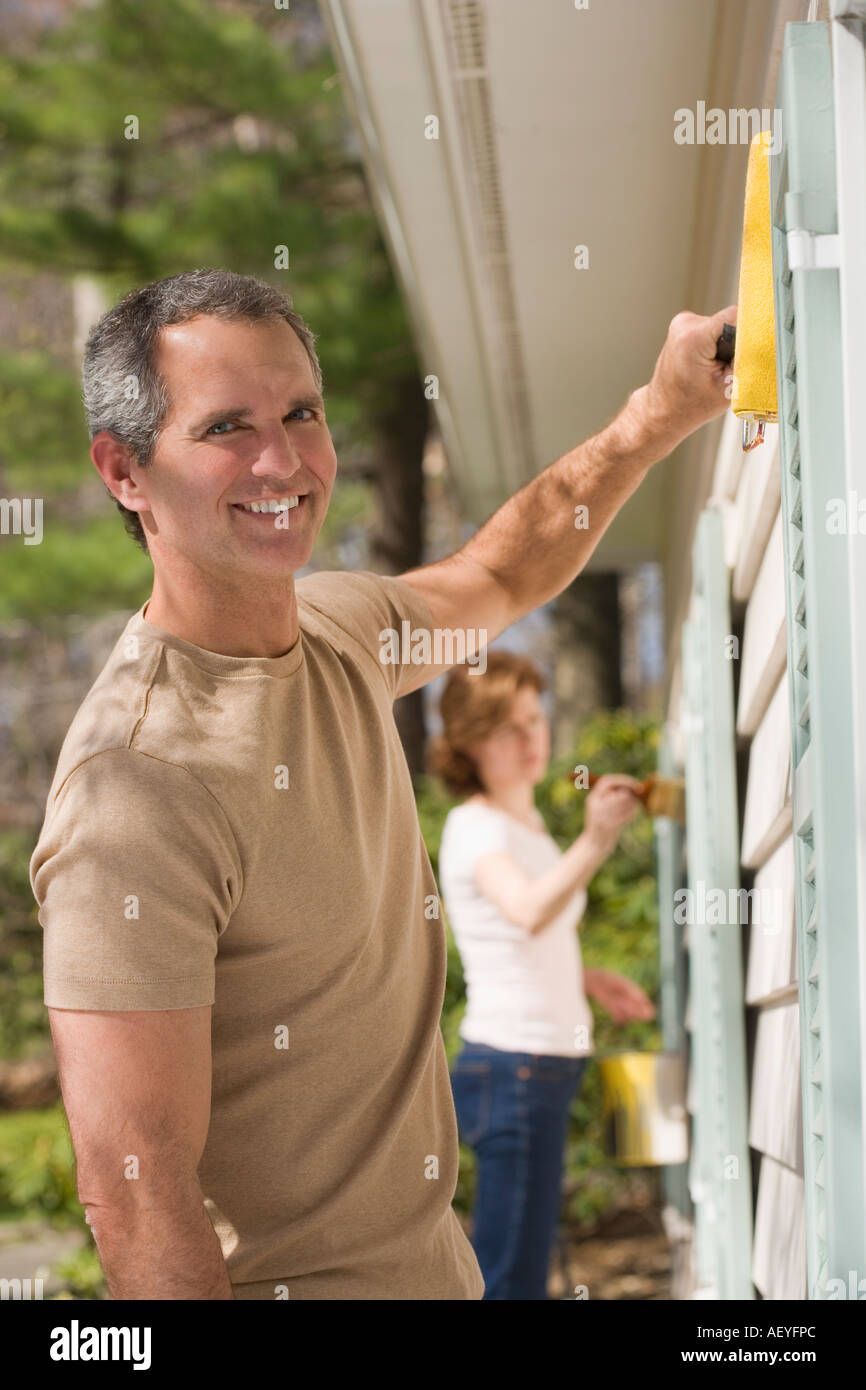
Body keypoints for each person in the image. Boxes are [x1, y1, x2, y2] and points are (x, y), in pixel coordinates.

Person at [29, 266, 733, 1299]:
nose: (282, 460)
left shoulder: (337, 634)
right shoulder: (134, 791)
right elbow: (134, 1191)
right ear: (125, 472)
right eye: (227, 426)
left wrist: (655, 414)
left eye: (300, 411)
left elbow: (496, 575)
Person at [432, 652, 656, 1299]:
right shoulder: (476, 828)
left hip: (540, 1067)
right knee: (509, 1278)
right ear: (470, 742)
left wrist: (589, 977)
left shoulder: (524, 824)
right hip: (514, 1067)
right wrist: (596, 841)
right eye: (509, 728)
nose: (532, 739)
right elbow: (527, 911)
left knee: (522, 1265)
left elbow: (526, 934)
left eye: (535, 719)